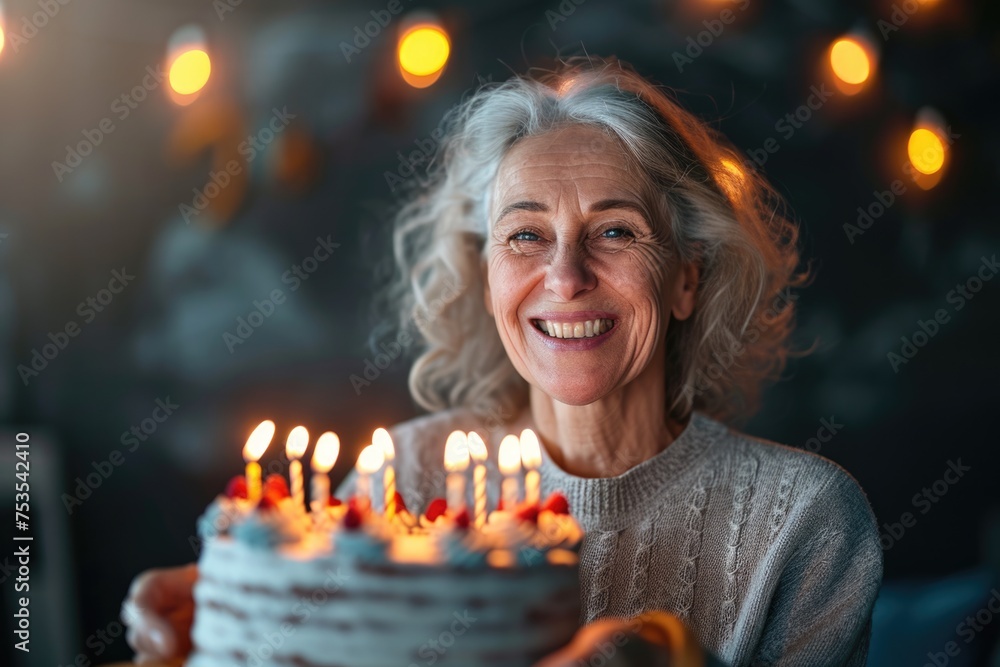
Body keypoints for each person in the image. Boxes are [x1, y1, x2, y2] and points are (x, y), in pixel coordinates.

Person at [123, 57, 882, 666]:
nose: (566, 277)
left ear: (686, 275)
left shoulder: (805, 523)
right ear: (485, 279)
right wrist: (222, 619)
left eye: (614, 231)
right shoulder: (402, 479)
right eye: (524, 236)